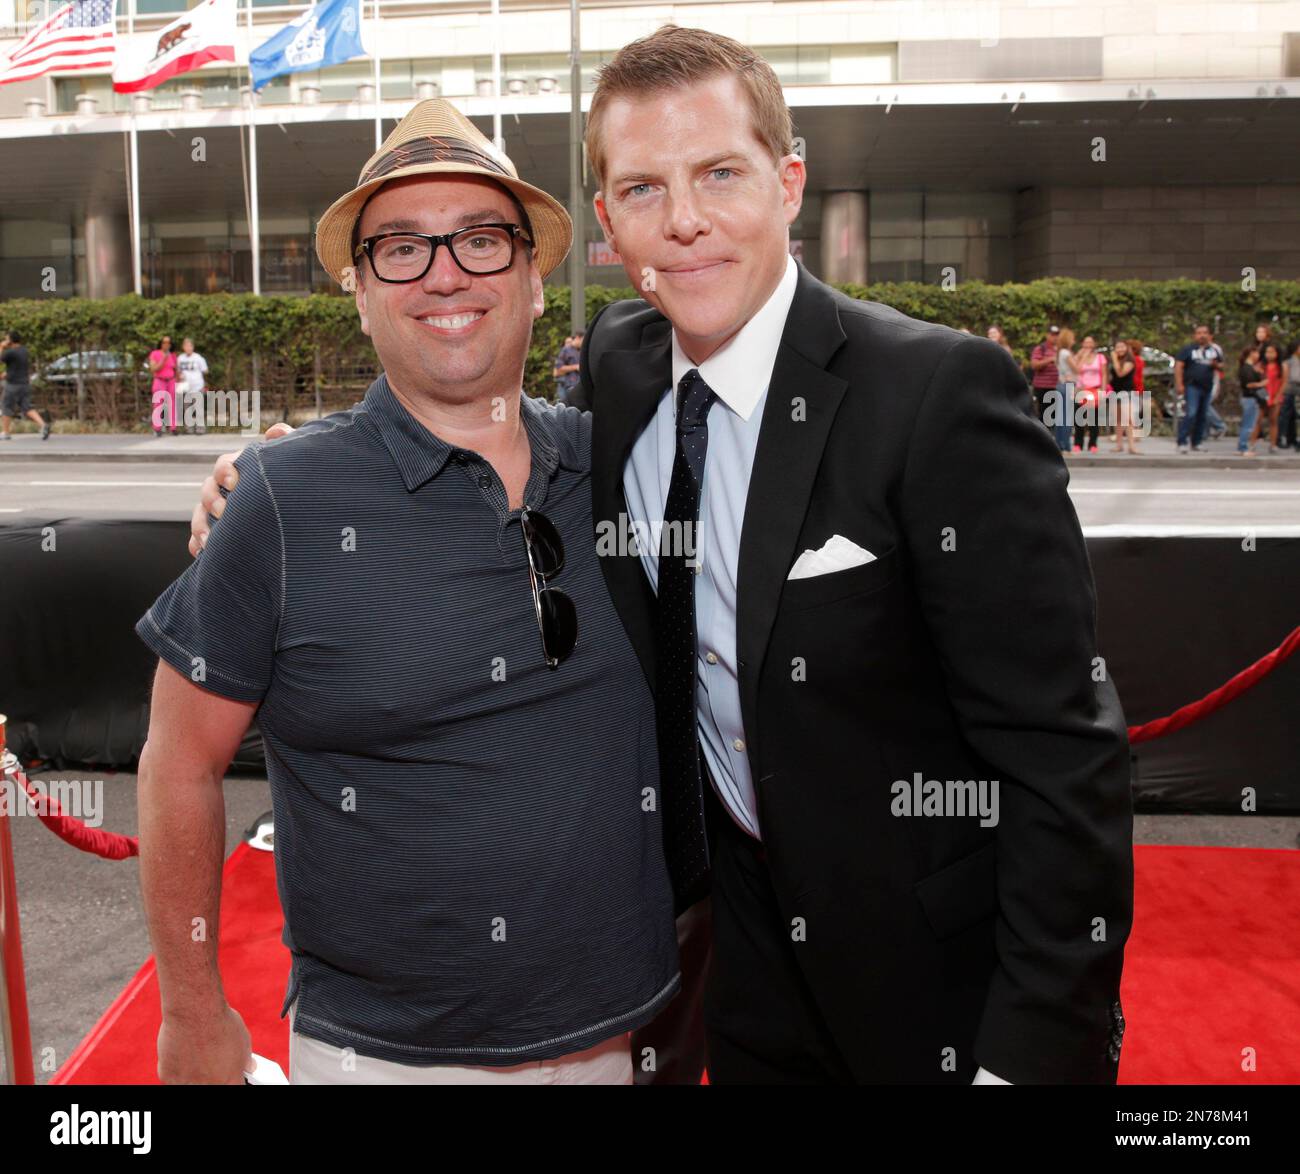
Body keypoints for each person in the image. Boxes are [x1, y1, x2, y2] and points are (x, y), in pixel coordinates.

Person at [572, 25, 1131, 1084]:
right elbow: (498, 455)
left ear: (788, 184)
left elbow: (1064, 756)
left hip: (941, 985)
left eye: (719, 174)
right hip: (744, 967)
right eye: (642, 189)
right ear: (606, 220)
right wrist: (283, 469)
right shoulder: (619, 368)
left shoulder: (936, 396)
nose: (682, 220)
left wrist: (1033, 1050)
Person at [145, 99, 679, 1085]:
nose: (445, 272)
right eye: (400, 247)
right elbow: (179, 761)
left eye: (481, 239)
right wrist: (191, 1014)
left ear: (531, 276)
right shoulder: (277, 499)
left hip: (628, 1032)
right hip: (382, 1058)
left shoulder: (634, 469)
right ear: (359, 291)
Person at [1174, 324, 1224, 453]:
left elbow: (1221, 366)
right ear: (1195, 335)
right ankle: (1182, 441)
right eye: (1199, 333)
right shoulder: (1188, 349)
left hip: (1207, 386)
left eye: (1205, 333)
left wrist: (1216, 365)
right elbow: (1179, 366)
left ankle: (1197, 442)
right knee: (1191, 413)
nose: (1202, 335)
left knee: (1202, 415)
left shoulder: (1214, 350)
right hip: (1192, 385)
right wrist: (1179, 384)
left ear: (1209, 335)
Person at [0, 330, 49, 441]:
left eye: (7, 339)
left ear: (11, 340)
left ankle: (6, 432)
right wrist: (7, 373)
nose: (5, 340)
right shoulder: (24, 351)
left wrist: (1, 347)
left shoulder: (10, 352)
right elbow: (17, 366)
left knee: (6, 406)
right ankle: (43, 425)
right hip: (24, 384)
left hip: (12, 385)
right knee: (27, 407)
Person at [1072, 335, 1106, 452]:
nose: (1087, 345)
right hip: (1081, 390)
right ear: (1082, 344)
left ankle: (1093, 444)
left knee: (1093, 419)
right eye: (1085, 343)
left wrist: (1103, 390)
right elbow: (1075, 370)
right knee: (1079, 418)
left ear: (1094, 344)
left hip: (1095, 390)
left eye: (1090, 343)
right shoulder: (1079, 356)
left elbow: (1104, 374)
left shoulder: (1100, 357)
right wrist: (1082, 356)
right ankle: (1078, 443)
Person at [1250, 341, 1285, 454]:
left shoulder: (1282, 366)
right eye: (1267, 352)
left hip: (1275, 395)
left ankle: (1273, 444)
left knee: (1273, 420)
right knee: (1257, 420)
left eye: (1271, 352)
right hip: (1262, 395)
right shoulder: (1260, 365)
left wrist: (1277, 397)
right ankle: (1251, 444)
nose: (1268, 354)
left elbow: (1284, 383)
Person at [1108, 339, 1140, 454]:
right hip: (1115, 391)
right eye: (1117, 347)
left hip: (1126, 392)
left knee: (1128, 419)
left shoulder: (1130, 360)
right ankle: (1119, 445)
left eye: (1122, 347)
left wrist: (1114, 358)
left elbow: (1120, 373)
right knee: (1118, 420)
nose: (1120, 349)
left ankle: (1131, 446)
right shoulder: (1114, 360)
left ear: (1127, 348)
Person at [1051, 327, 1078, 452]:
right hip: (1068, 385)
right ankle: (1065, 446)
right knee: (1067, 417)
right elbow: (1077, 369)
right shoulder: (1066, 353)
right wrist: (1083, 356)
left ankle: (1059, 445)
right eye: (1072, 338)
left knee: (1061, 417)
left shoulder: (1059, 353)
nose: (1074, 341)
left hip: (1061, 384)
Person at [1236, 346, 1266, 457]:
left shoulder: (1252, 368)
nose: (1258, 356)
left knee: (1249, 423)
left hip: (1252, 398)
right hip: (1249, 398)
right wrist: (1262, 383)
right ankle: (1243, 447)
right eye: (1256, 353)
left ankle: (1242, 446)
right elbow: (1248, 384)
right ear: (1251, 353)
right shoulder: (1246, 368)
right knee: (1248, 425)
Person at [176, 338, 209, 434]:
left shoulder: (198, 358)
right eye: (186, 346)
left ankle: (200, 429)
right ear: (183, 347)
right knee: (187, 409)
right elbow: (177, 371)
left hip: (197, 386)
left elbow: (205, 370)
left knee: (198, 408)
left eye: (189, 346)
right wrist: (180, 376)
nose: (188, 348)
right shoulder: (180, 358)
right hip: (186, 387)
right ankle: (189, 429)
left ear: (192, 347)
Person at [1028, 325, 1061, 425]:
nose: (1055, 337)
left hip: (1057, 387)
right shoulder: (1040, 349)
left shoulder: (1061, 349)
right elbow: (1034, 365)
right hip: (1043, 387)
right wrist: (1049, 360)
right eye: (1052, 335)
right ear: (1047, 335)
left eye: (1056, 335)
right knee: (1043, 415)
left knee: (1056, 416)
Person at [149, 335, 178, 437]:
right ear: (161, 344)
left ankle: (173, 428)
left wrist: (178, 378)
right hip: (159, 380)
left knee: (173, 404)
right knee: (158, 404)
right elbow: (153, 369)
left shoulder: (173, 355)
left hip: (171, 381)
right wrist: (163, 359)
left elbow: (176, 368)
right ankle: (157, 428)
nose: (166, 345)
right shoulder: (155, 354)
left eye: (168, 343)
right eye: (164, 342)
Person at [552, 330, 582, 403]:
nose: (569, 344)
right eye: (567, 342)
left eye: (570, 342)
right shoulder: (565, 351)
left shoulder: (579, 351)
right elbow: (556, 373)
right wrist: (575, 367)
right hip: (564, 385)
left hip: (576, 385)